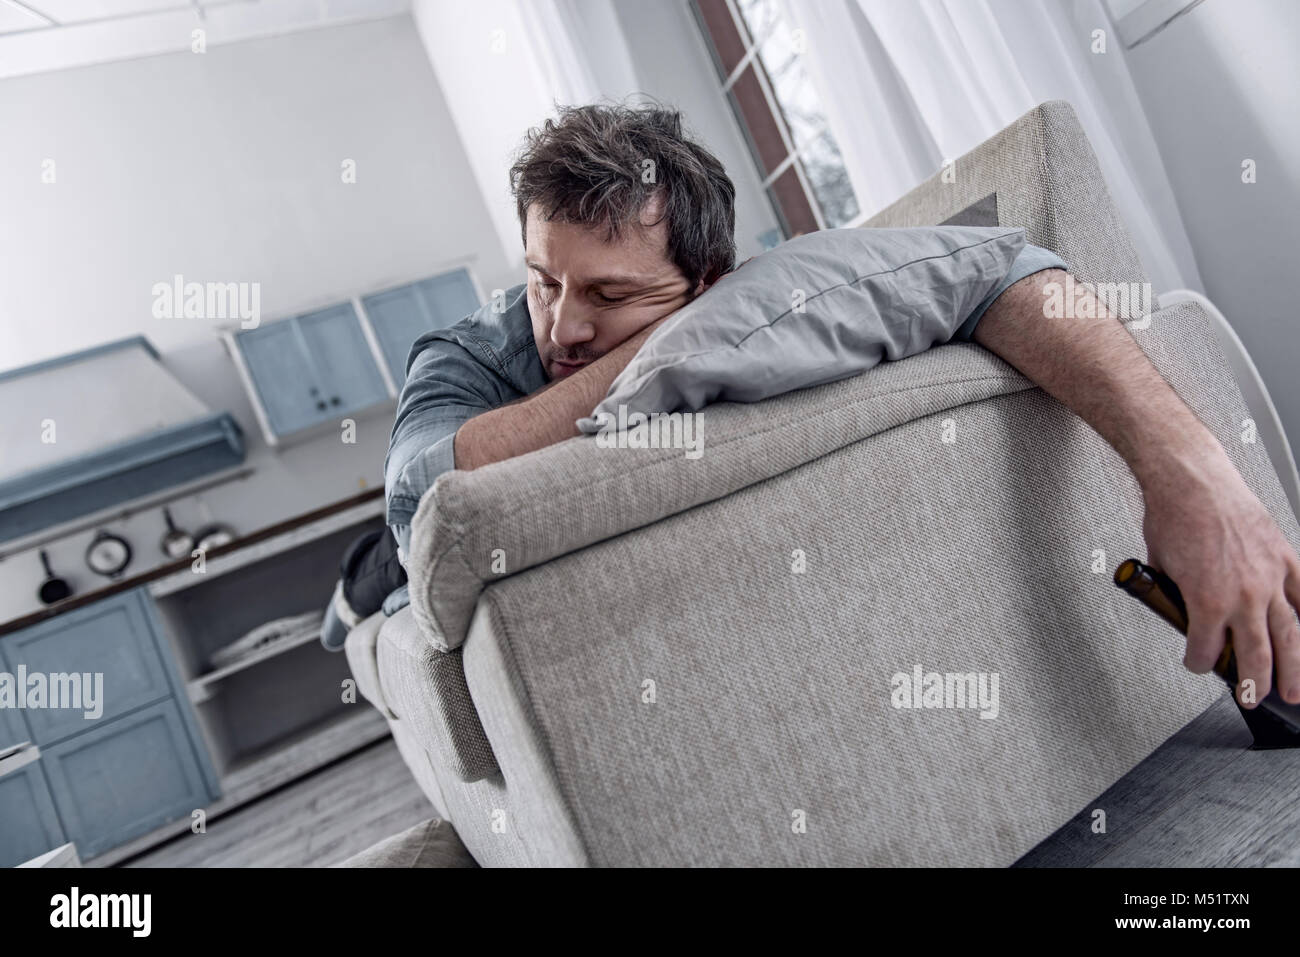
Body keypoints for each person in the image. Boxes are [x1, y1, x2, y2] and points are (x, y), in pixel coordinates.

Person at [323, 102, 1300, 716]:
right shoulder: (469, 351)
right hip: (391, 552)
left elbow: (1003, 267)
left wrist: (1196, 479)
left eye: (608, 294)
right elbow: (426, 491)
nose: (562, 326)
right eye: (542, 281)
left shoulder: (762, 304)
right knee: (373, 574)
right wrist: (656, 336)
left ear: (708, 276)